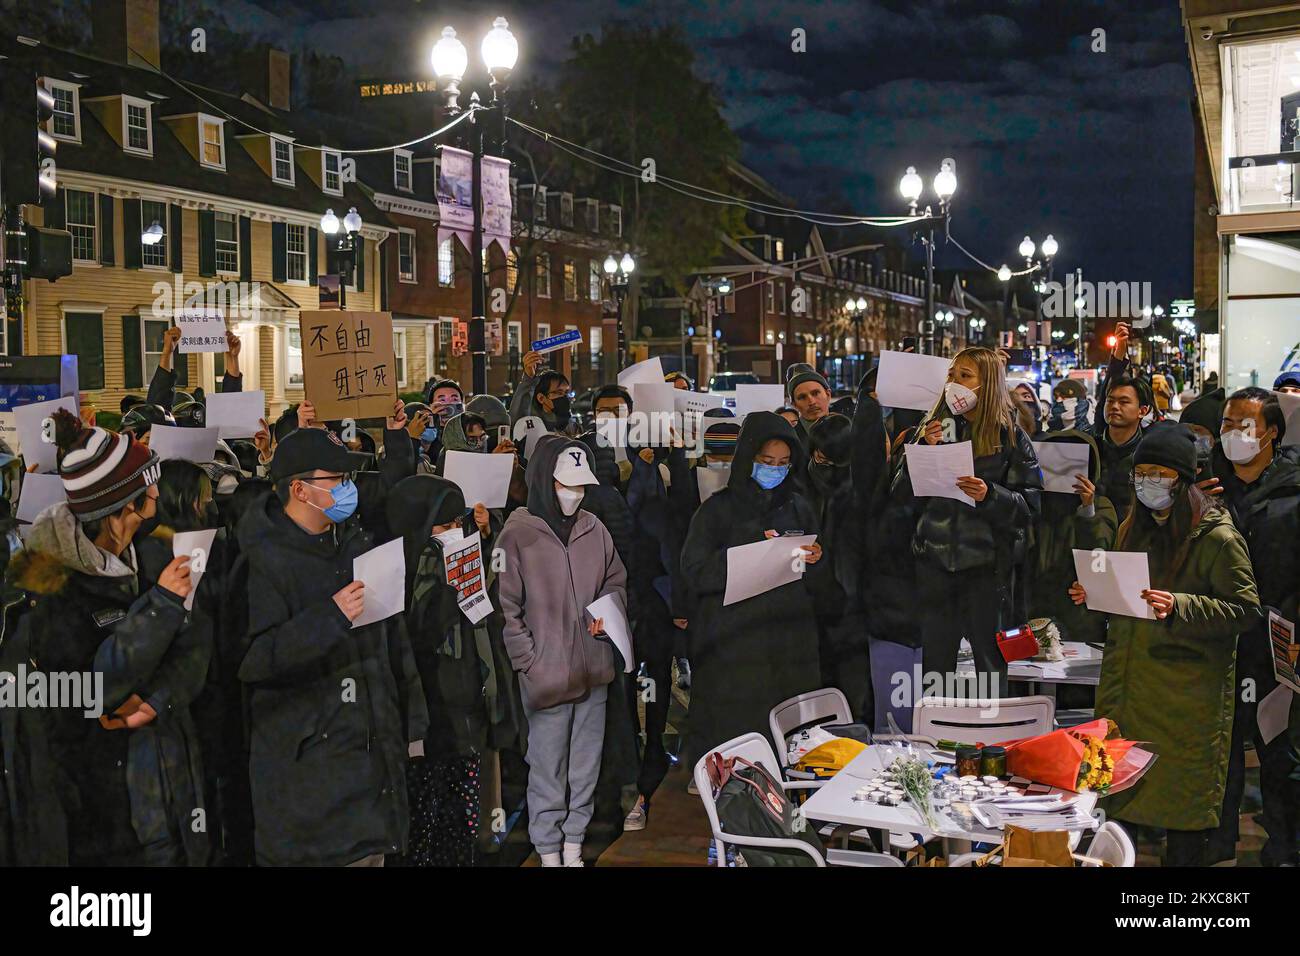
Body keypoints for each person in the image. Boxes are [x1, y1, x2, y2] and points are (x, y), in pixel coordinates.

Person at [2, 409, 207, 865]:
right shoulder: (45, 590)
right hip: (106, 817)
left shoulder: (158, 549)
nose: (157, 493)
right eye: (146, 486)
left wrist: (159, 697)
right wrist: (161, 607)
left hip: (172, 791)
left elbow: (197, 643)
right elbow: (90, 693)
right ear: (119, 509)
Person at [236, 426, 428, 866]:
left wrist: (409, 726)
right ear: (299, 489)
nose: (348, 489)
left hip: (369, 786)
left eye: (349, 480)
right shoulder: (261, 560)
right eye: (336, 480)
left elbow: (389, 643)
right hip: (311, 801)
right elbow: (253, 660)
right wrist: (330, 617)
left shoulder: (352, 543)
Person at [1074, 422, 1260, 866]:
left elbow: (1246, 609)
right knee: (1120, 810)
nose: (1148, 483)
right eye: (1142, 473)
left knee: (1183, 821)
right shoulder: (1131, 527)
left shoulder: (1216, 537)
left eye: (1160, 473)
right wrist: (1095, 593)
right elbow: (1127, 598)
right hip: (1128, 692)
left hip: (1187, 705)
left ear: (1184, 479)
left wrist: (1181, 605)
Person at [496, 435, 627, 866]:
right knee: (547, 768)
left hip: (594, 669)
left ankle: (574, 846)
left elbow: (615, 580)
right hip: (546, 676)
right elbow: (505, 607)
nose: (573, 494)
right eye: (563, 485)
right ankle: (548, 850)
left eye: (579, 486)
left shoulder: (595, 527)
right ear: (541, 480)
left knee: (585, 767)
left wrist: (607, 614)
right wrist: (528, 660)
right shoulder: (516, 535)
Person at [385, 474, 524, 866]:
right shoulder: (405, 569)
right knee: (424, 821)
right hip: (428, 721)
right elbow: (419, 634)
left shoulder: (459, 553)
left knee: (460, 821)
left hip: (467, 716)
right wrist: (450, 590)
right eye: (444, 525)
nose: (453, 533)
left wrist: (480, 540)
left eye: (456, 524)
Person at [680, 412, 828, 770]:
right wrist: (746, 556)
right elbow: (694, 570)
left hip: (788, 646)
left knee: (786, 736)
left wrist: (817, 559)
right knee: (737, 735)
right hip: (734, 648)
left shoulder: (799, 505)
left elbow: (819, 579)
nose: (774, 470)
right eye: (766, 462)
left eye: (782, 463)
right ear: (748, 459)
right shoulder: (717, 510)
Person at [890, 346, 1041, 696]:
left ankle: (992, 738)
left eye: (965, 376)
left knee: (990, 665)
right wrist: (923, 451)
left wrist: (989, 494)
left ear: (986, 384)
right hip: (935, 565)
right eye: (952, 375)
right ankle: (935, 734)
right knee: (937, 668)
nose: (954, 383)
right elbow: (898, 495)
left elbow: (1030, 507)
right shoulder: (931, 429)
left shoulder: (1011, 438)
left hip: (986, 570)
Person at [1210, 389, 1300, 866]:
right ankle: (1215, 846)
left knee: (1278, 752)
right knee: (1219, 750)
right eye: (1227, 423)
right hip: (1220, 643)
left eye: (1244, 426)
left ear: (1271, 433)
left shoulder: (1292, 493)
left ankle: (1284, 847)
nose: (1232, 434)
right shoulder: (1210, 487)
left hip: (1276, 645)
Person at [1022, 429, 1117, 644]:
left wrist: (1087, 509)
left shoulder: (1100, 506)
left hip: (1080, 614)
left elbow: (1099, 556)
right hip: (1033, 608)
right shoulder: (1034, 506)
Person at [806, 413, 872, 718]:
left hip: (853, 600)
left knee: (852, 685)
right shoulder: (807, 481)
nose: (818, 457)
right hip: (818, 595)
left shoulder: (860, 488)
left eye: (825, 452)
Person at [787, 368, 832, 443]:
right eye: (802, 397)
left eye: (815, 393)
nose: (812, 402)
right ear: (794, 405)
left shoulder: (848, 431)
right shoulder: (790, 439)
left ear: (828, 395)